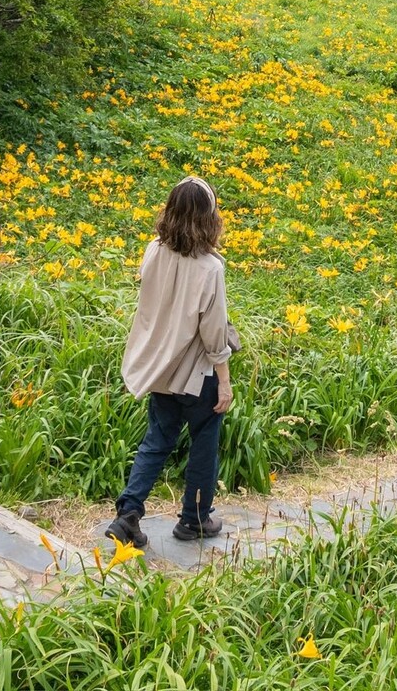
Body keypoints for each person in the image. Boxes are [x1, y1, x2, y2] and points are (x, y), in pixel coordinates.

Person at [106, 176, 235, 549]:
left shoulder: (153, 250)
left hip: (159, 367)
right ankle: (194, 520)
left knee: (157, 440)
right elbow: (214, 331)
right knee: (204, 440)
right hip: (196, 373)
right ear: (209, 217)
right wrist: (224, 380)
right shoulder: (211, 267)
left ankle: (128, 514)